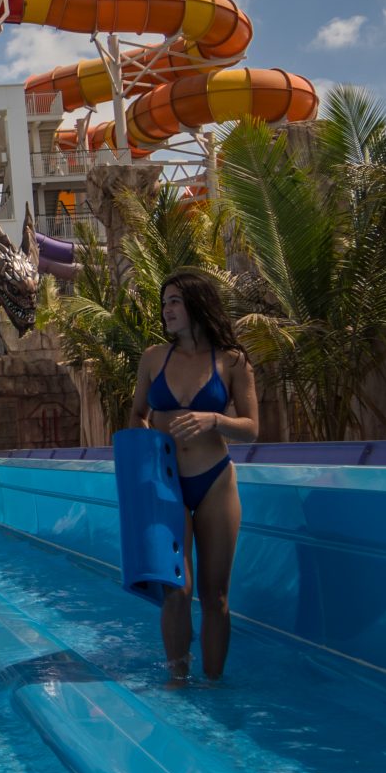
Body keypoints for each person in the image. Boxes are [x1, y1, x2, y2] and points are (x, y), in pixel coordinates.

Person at [128, 269, 259, 686]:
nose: (166, 310)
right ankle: (177, 681)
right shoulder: (153, 358)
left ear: (197, 305)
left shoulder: (232, 361)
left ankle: (215, 686)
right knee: (176, 588)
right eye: (164, 302)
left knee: (215, 596)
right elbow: (137, 415)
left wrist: (214, 419)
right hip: (167, 485)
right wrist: (146, 450)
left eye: (174, 302)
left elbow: (253, 428)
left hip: (215, 481)